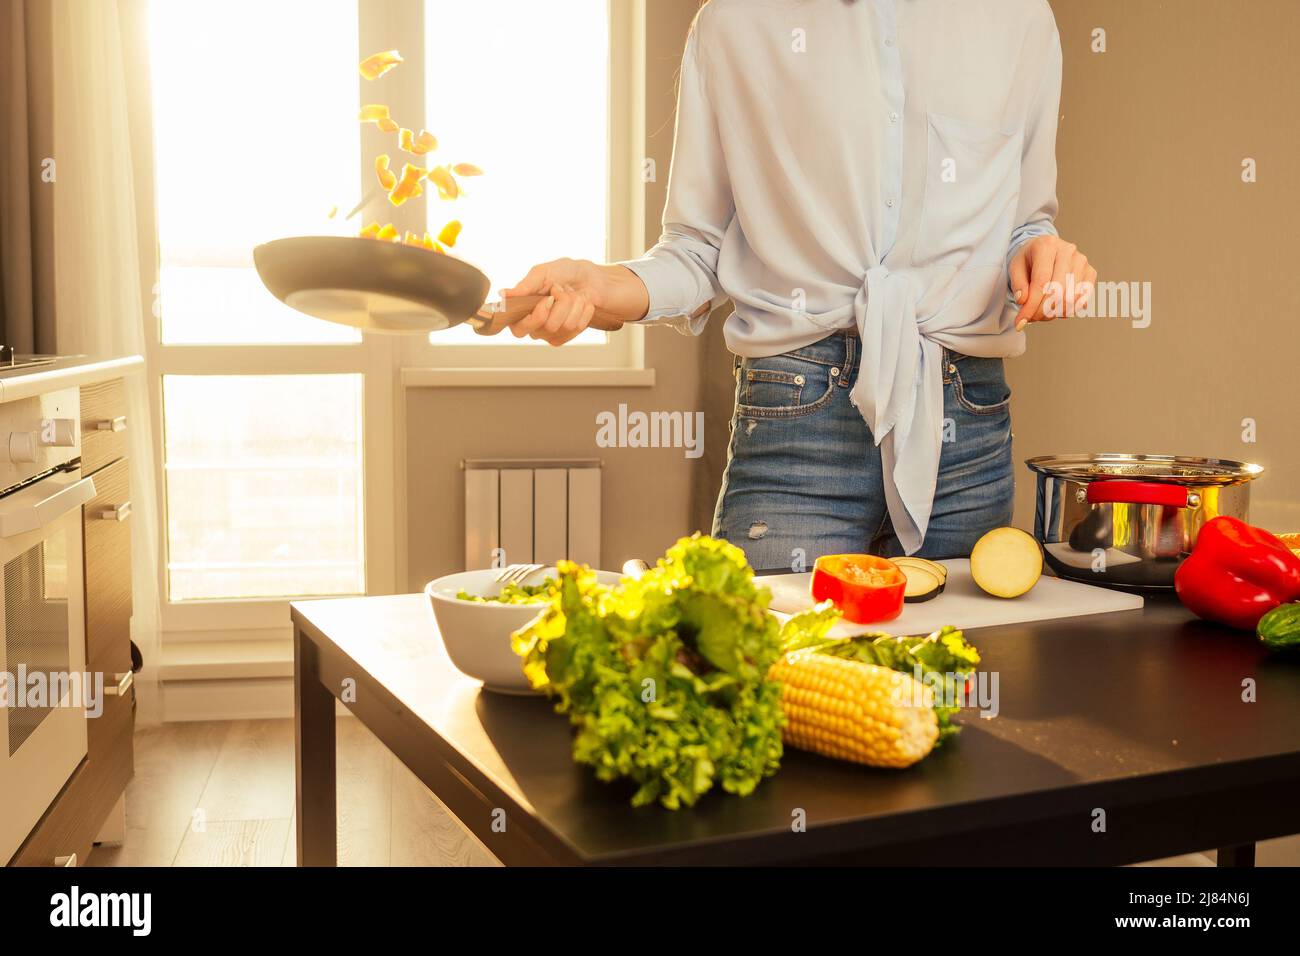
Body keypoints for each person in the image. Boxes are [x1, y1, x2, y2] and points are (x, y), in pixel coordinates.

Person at [494, 0, 1095, 570]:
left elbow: (1026, 222)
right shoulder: (734, 25)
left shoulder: (1018, 20)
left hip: (964, 425)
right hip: (796, 413)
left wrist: (1045, 256)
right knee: (774, 669)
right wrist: (600, 285)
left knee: (949, 673)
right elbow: (698, 250)